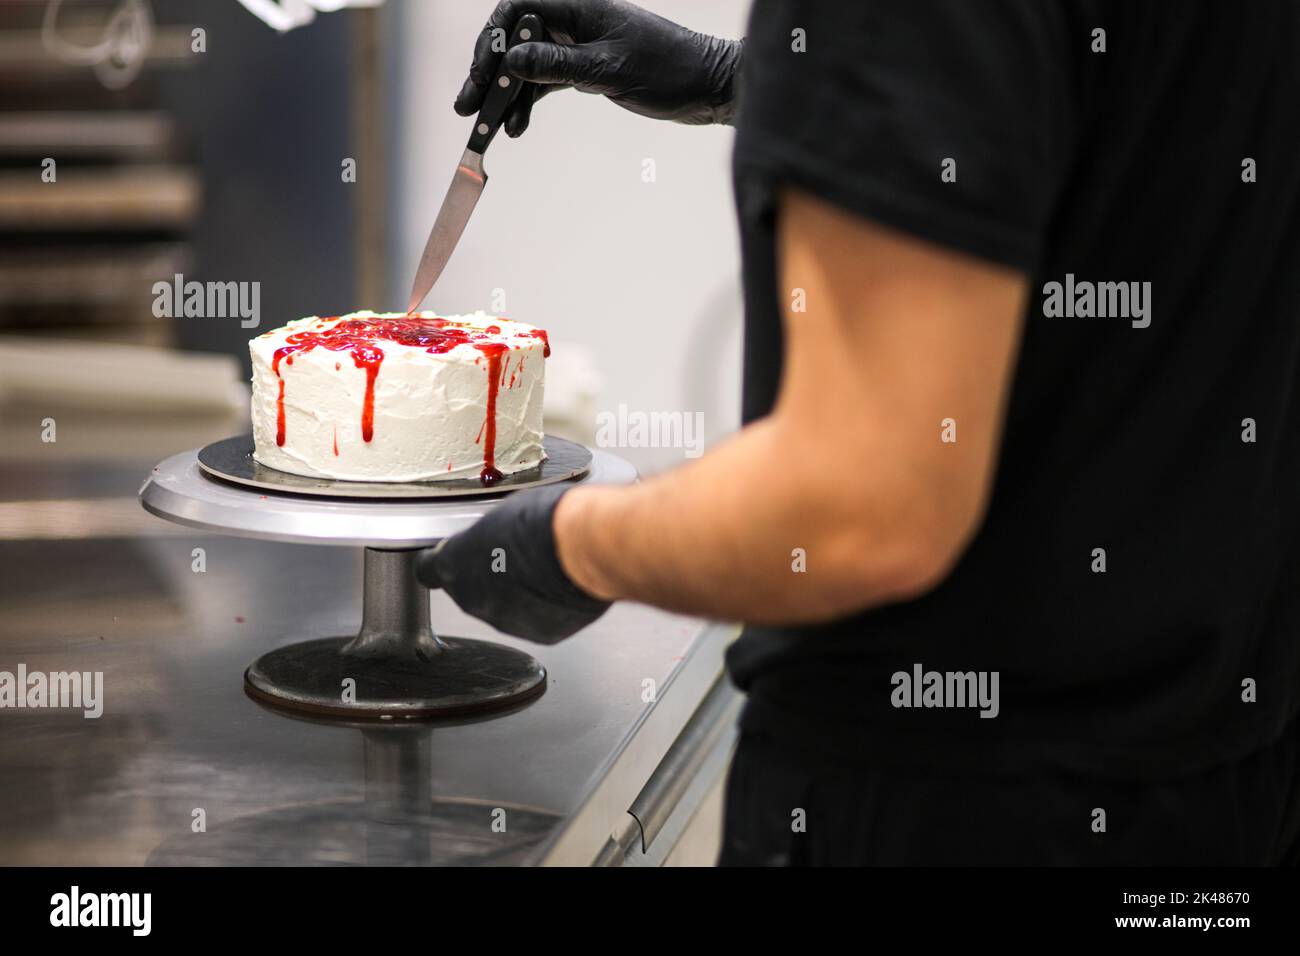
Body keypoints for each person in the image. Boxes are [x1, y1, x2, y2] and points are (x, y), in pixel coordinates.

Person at [417, 0, 1300, 865]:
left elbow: (859, 511)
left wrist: (570, 546)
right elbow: (1137, 133)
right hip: (1222, 756)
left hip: (963, 802)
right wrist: (750, 79)